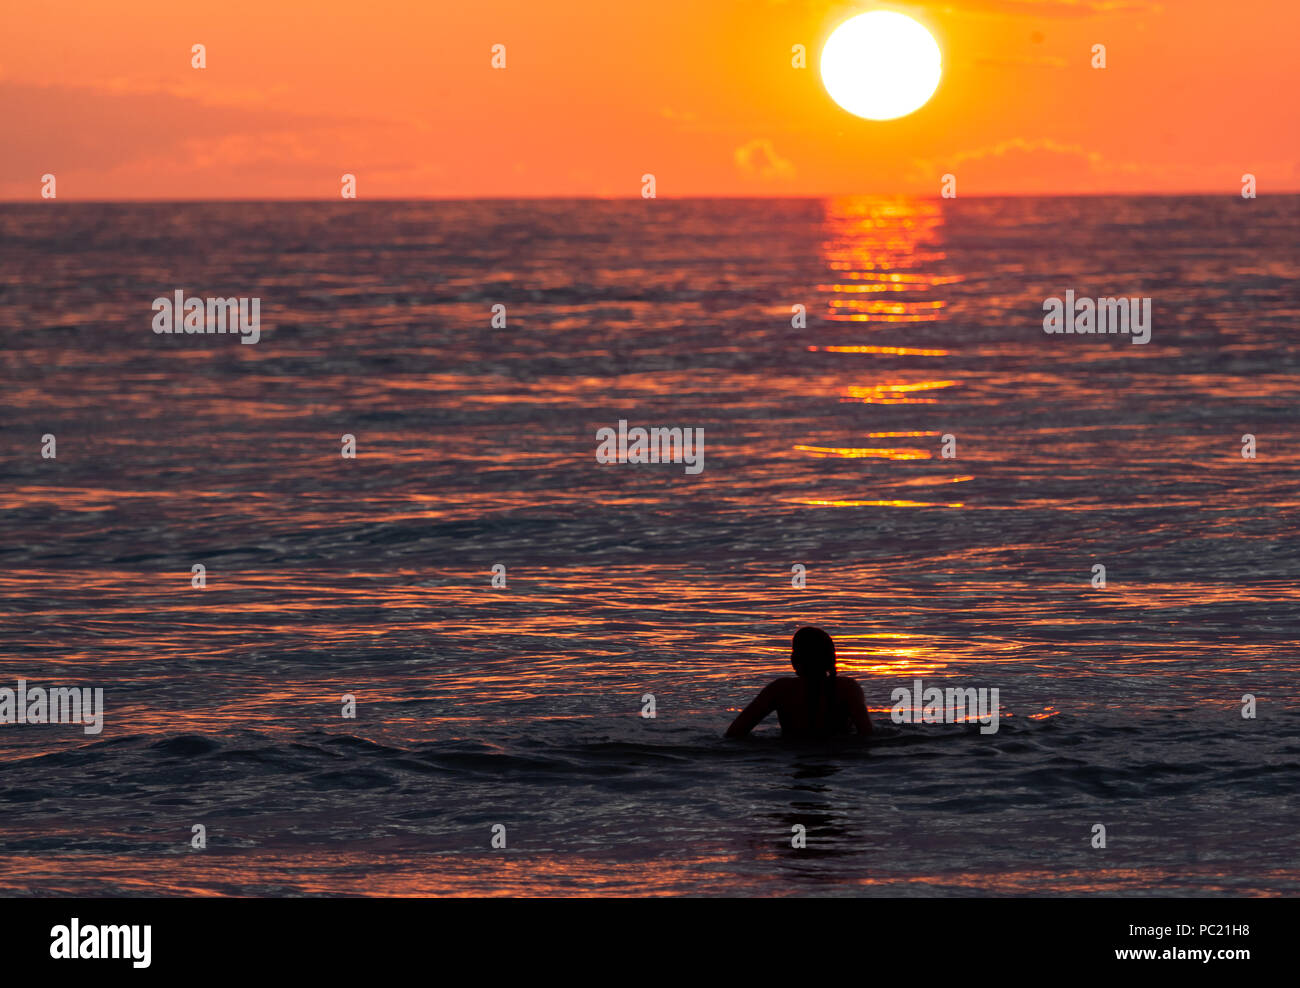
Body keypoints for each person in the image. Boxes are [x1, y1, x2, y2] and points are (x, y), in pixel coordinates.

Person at [724, 627, 873, 739]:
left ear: (794, 660)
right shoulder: (847, 688)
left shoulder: (780, 689)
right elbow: (867, 734)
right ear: (832, 659)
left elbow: (734, 734)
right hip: (838, 752)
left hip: (791, 751)